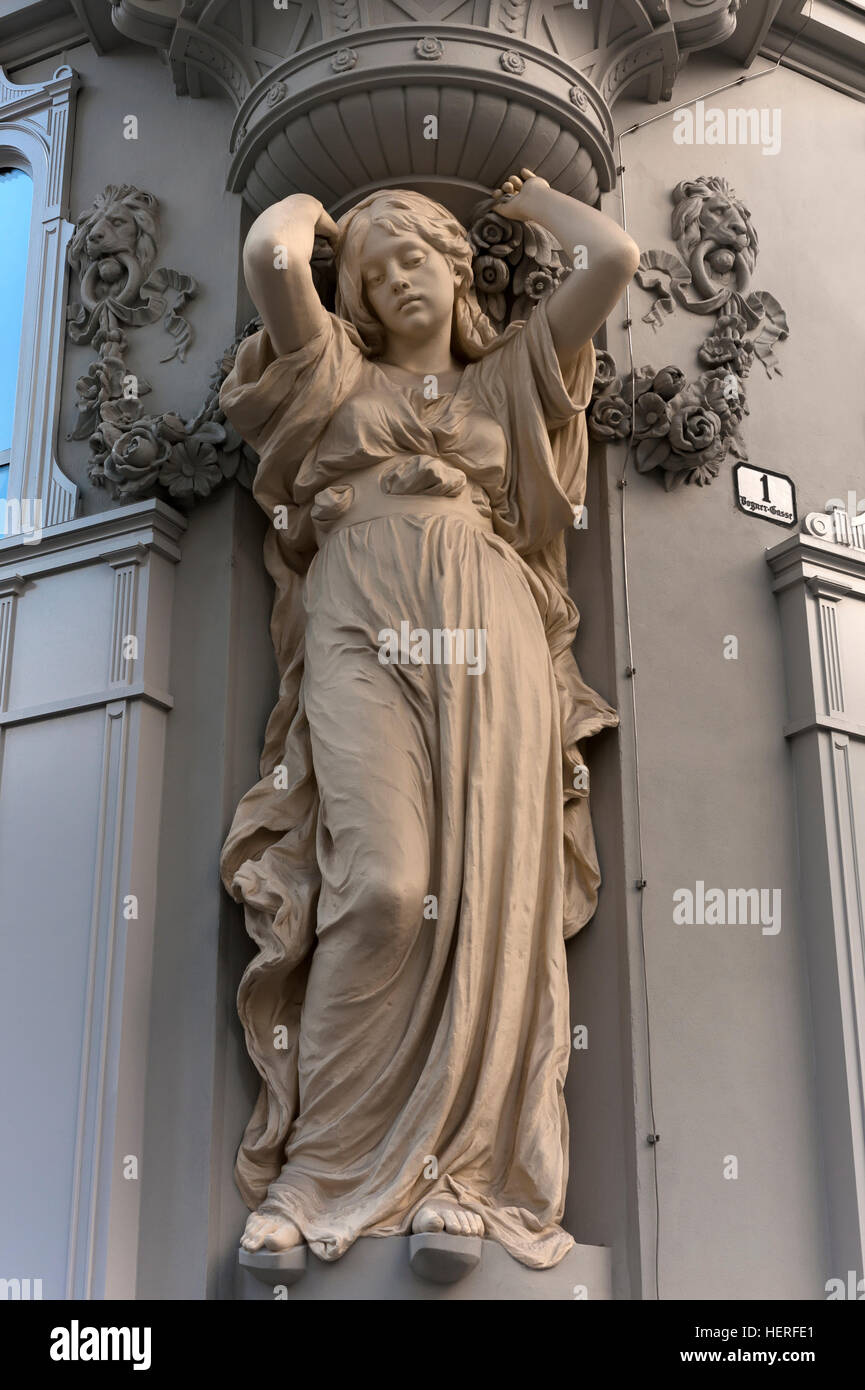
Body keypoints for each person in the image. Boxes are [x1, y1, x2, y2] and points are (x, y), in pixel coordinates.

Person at [219, 169, 639, 1269]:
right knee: (383, 885)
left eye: (417, 256)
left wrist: (536, 204)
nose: (398, 277)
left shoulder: (508, 378)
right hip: (359, 611)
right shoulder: (334, 372)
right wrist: (319, 215)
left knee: (492, 896)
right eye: (374, 269)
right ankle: (316, 1172)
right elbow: (271, 258)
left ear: (459, 269)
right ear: (353, 297)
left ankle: (468, 1169)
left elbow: (614, 261)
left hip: (488, 625)